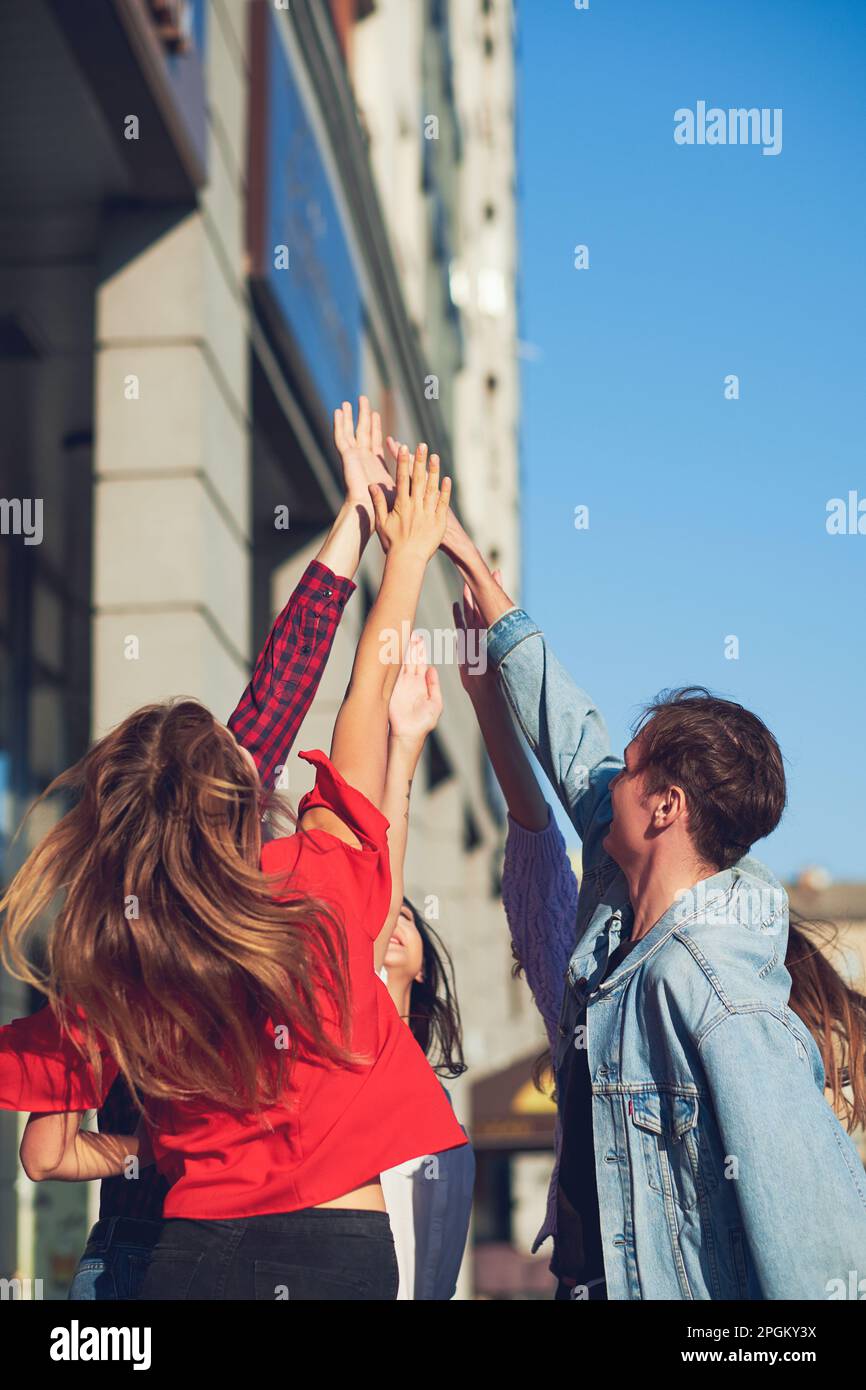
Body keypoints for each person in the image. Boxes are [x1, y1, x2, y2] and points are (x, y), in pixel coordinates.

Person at [1, 434, 468, 1300]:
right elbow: (355, 698)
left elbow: (279, 708)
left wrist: (366, 534)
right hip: (334, 1253)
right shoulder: (314, 885)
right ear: (236, 801)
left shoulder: (118, 963)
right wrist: (398, 556)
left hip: (184, 1261)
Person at [434, 500, 866, 1301]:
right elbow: (571, 739)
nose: (609, 781)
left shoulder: (715, 991)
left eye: (630, 770)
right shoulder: (624, 922)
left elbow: (818, 1244)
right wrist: (460, 549)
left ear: (665, 807)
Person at [372, 629, 475, 1299]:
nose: (395, 921)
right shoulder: (358, 1025)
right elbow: (381, 865)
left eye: (409, 917)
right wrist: (403, 750)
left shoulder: (435, 1097)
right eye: (389, 913)